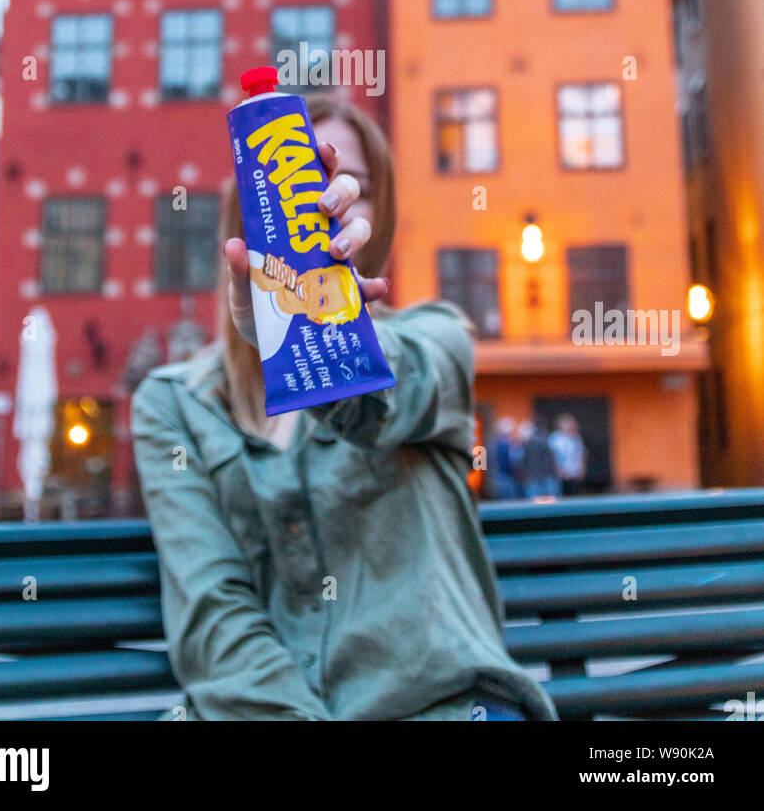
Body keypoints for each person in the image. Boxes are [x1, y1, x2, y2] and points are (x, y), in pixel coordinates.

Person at [131, 93, 557, 723]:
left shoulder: (435, 336)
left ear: (376, 218)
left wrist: (322, 331)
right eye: (290, 175)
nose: (326, 195)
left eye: (347, 180)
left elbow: (382, 395)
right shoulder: (175, 403)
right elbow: (215, 615)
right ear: (241, 210)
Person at [517, 419, 561, 500]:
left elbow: (521, 462)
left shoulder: (525, 445)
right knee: (552, 505)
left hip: (534, 478)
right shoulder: (545, 441)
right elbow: (552, 459)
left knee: (533, 505)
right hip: (546, 476)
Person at [548, 414, 588, 496]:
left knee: (574, 495)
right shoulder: (555, 438)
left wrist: (582, 469)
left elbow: (581, 454)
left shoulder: (577, 438)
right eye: (568, 424)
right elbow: (551, 456)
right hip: (561, 474)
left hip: (574, 473)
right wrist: (557, 470)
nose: (571, 426)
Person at [487, 417, 520, 499]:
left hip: (495, 476)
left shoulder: (492, 441)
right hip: (504, 476)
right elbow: (508, 462)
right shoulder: (504, 444)